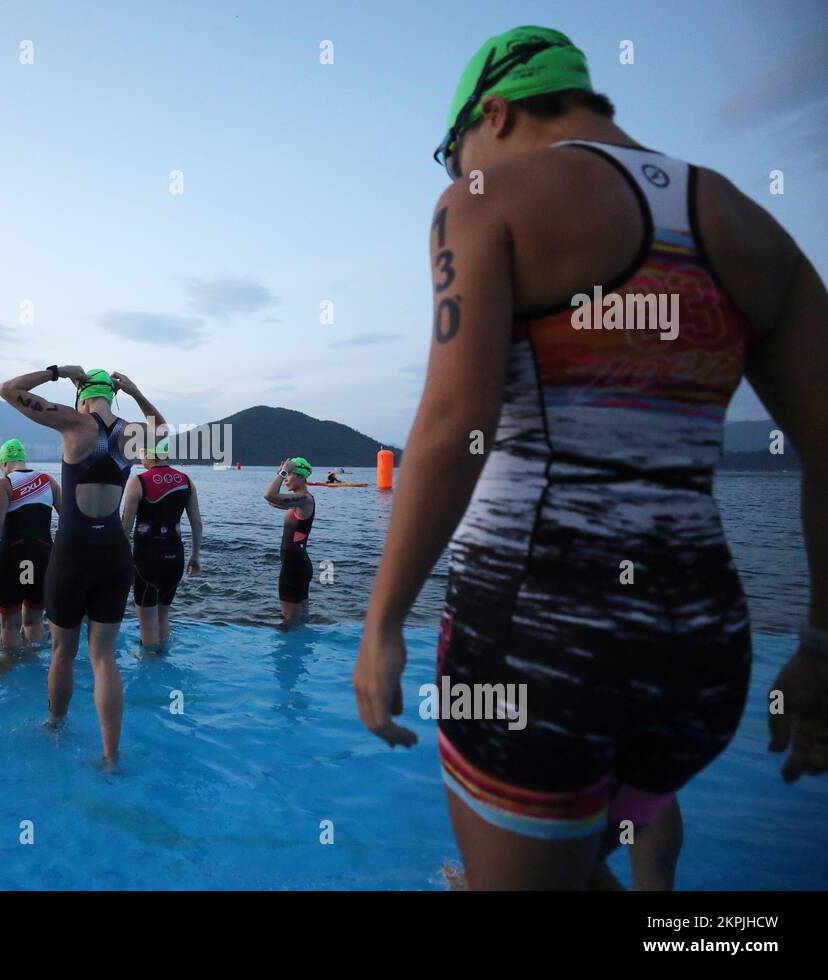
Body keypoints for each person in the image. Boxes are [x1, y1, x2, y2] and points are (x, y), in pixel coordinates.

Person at [352, 25, 828, 890]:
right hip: (702, 656)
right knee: (577, 864)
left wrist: (381, 623)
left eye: (452, 151)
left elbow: (457, 418)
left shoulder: (489, 198)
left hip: (536, 638)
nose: (454, 174)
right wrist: (823, 647)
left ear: (492, 113)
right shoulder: (755, 228)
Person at [0, 366, 166, 765]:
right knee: (103, 657)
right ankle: (111, 755)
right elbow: (162, 428)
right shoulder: (133, 434)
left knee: (62, 651)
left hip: (72, 553)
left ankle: (55, 725)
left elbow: (8, 389)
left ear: (82, 396)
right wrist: (137, 390)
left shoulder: (72, 421)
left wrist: (58, 372)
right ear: (112, 394)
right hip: (114, 552)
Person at [121, 438, 202, 649]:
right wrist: (195, 556)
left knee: (147, 626)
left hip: (147, 558)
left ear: (149, 454)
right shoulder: (185, 480)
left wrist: (120, 559)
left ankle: (151, 670)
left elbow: (126, 526)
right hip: (175, 556)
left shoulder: (139, 481)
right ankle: (163, 658)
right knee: (163, 616)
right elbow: (197, 524)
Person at [0, 438, 60, 648]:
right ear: (22, 459)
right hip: (41, 558)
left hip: (13, 558)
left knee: (10, 627)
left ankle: (10, 673)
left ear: (3, 463)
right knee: (33, 622)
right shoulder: (49, 481)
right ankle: (37, 671)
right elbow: (68, 520)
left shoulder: (4, 483)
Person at [264, 457, 315, 628]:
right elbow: (272, 501)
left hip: (294, 567)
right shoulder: (299, 501)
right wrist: (281, 473)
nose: (285, 479)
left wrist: (281, 473)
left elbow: (268, 495)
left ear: (300, 476)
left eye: (289, 475)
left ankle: (287, 652)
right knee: (301, 619)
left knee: (289, 621)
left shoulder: (304, 499)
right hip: (298, 564)